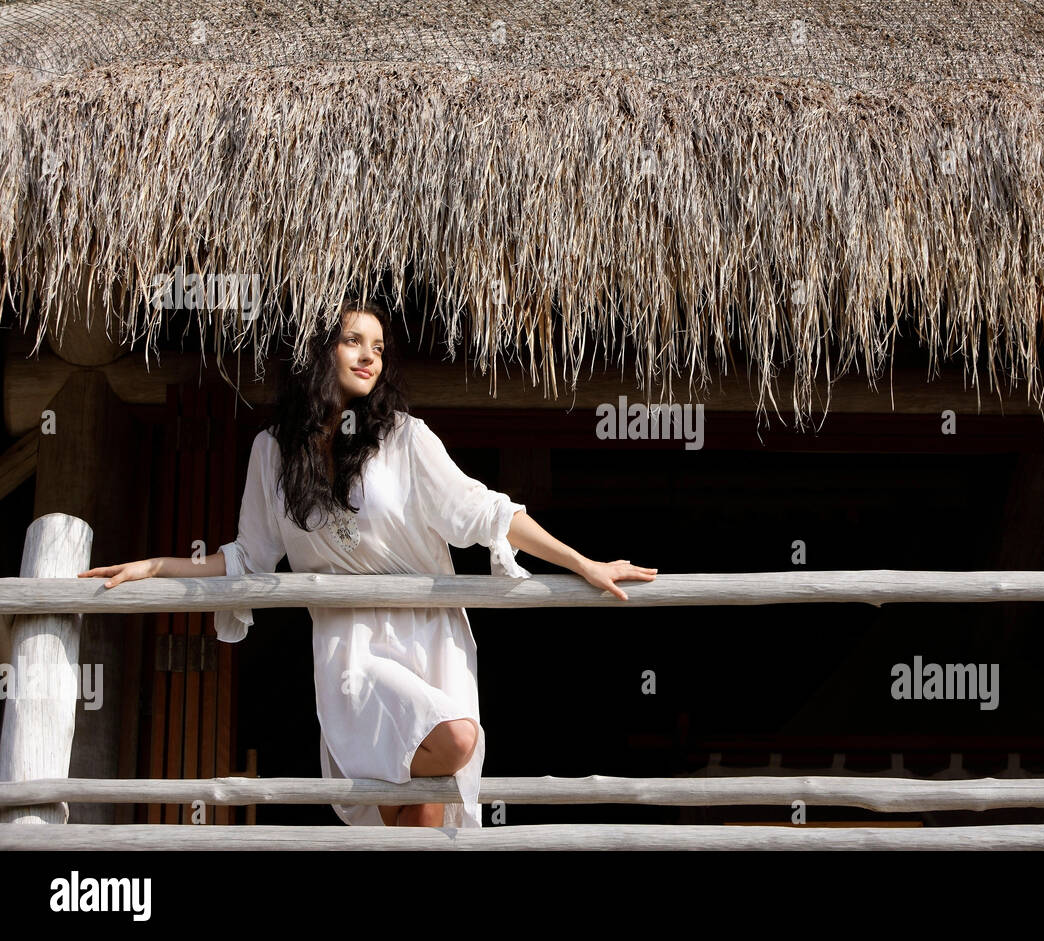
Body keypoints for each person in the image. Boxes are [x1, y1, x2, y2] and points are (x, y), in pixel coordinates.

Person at [78, 298, 657, 827]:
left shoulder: (404, 437)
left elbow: (483, 511)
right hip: (350, 644)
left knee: (427, 789)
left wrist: (583, 563)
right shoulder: (272, 450)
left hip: (426, 634)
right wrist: (156, 566)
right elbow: (249, 558)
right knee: (452, 742)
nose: (369, 357)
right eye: (354, 341)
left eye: (378, 348)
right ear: (319, 348)